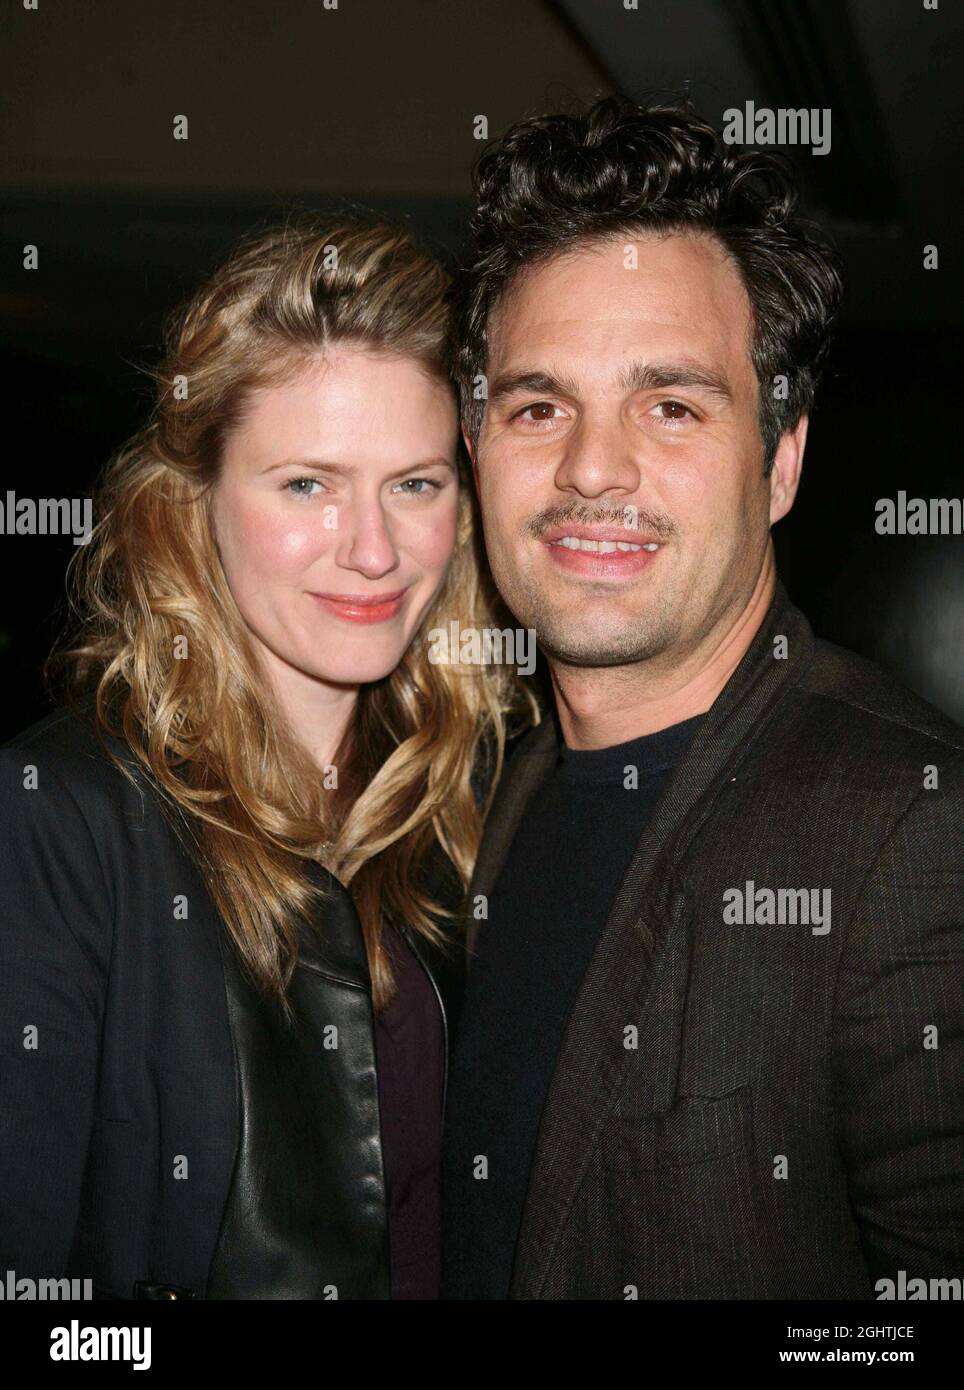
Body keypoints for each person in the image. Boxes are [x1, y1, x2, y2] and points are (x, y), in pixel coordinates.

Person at [440, 96, 964, 1300]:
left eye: (669, 404)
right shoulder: (496, 796)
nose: (590, 466)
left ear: (779, 461)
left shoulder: (911, 826)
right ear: (476, 450)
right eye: (537, 405)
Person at [0, 215, 533, 1299]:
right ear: (194, 504)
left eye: (416, 484)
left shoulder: (477, 801)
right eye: (306, 484)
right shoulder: (64, 818)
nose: (373, 548)